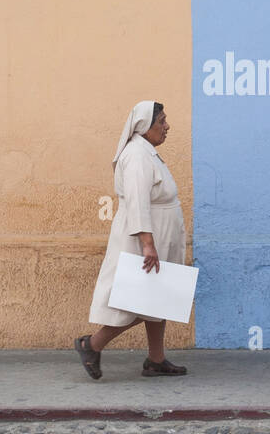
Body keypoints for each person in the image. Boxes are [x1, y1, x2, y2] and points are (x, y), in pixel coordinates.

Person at [74, 100, 187, 380]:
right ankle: (92, 344)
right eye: (161, 121)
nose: (167, 126)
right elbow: (137, 203)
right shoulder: (136, 155)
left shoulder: (147, 152)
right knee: (143, 300)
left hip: (159, 233)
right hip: (146, 237)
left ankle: (156, 359)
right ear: (143, 126)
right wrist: (148, 244)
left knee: (160, 297)